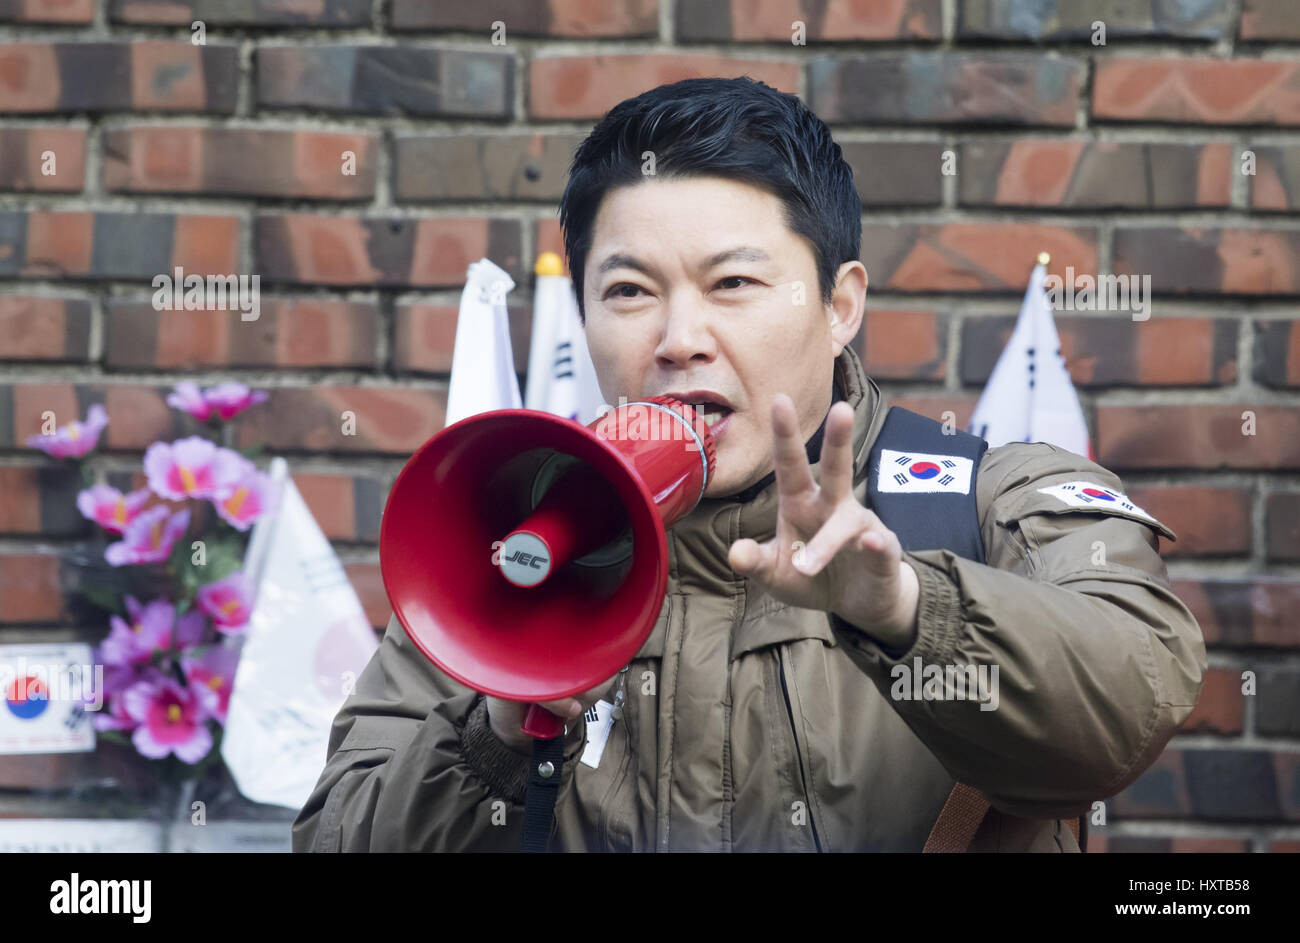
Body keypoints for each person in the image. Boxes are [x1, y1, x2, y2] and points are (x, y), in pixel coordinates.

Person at [292, 77, 1205, 853]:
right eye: (628, 291)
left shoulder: (992, 493)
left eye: (733, 283)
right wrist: (497, 728)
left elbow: (1132, 695)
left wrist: (903, 612)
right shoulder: (512, 544)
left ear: (839, 303)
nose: (680, 340)